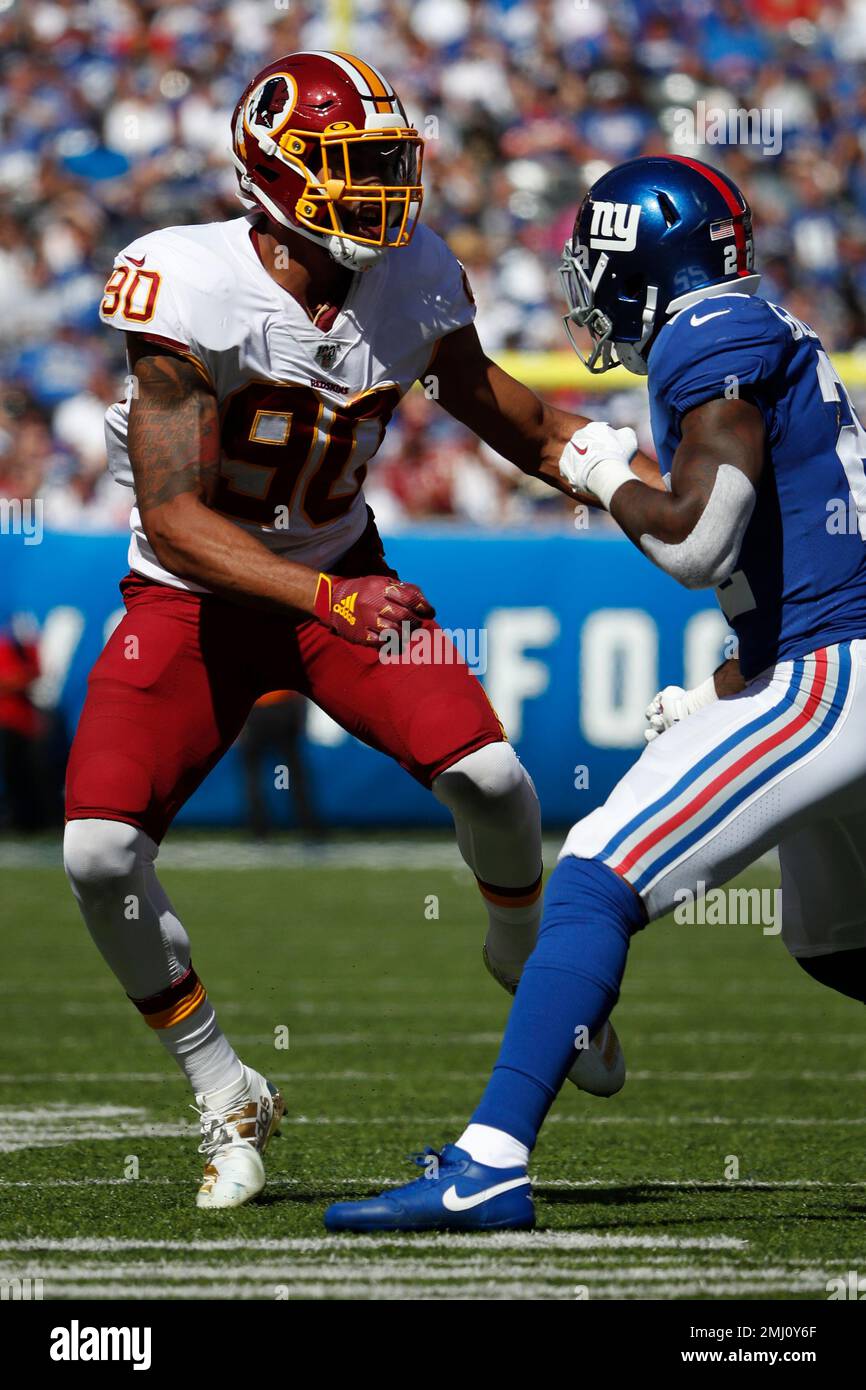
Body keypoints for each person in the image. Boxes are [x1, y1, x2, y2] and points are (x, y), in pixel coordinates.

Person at [63, 52, 654, 1209]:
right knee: (96, 854)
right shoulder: (182, 281)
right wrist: (329, 600)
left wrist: (633, 483)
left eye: (388, 160)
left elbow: (507, 416)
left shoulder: (412, 270)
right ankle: (223, 1085)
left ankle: (523, 952)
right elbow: (176, 519)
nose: (383, 186)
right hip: (200, 595)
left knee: (492, 780)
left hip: (341, 571)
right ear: (270, 174)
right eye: (353, 165)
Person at [324, 154, 866, 1232]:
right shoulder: (764, 332)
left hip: (830, 673)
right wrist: (727, 681)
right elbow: (792, 556)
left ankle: (486, 1163)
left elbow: (694, 539)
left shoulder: (706, 336)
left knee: (590, 877)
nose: (588, 288)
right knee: (838, 941)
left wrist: (597, 468)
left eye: (600, 264)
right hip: (819, 661)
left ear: (646, 263)